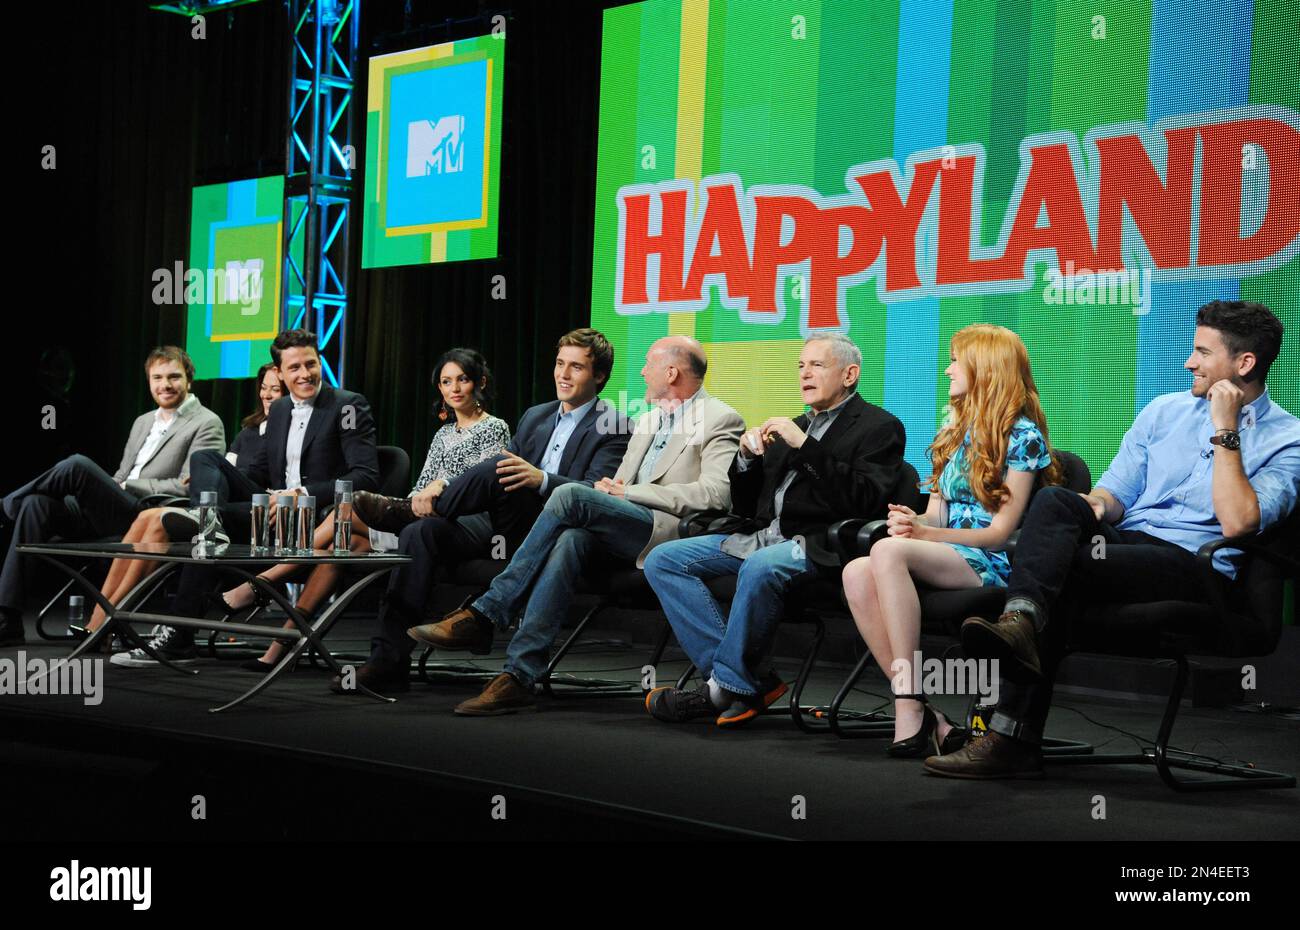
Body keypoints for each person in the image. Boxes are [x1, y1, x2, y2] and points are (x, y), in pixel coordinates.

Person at [927, 300, 1300, 778]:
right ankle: (1019, 620)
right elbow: (1112, 495)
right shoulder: (1164, 411)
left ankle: (1007, 738)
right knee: (1058, 501)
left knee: (1056, 576)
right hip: (1127, 545)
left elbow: (1238, 523)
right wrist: (1090, 509)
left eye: (1203, 353)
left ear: (1243, 364)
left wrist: (1225, 430)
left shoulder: (1287, 440)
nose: (1189, 362)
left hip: (1195, 565)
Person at [410, 335, 744, 715]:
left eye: (648, 364)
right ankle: (520, 675)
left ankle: (489, 612)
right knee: (570, 538)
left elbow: (716, 494)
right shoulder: (650, 419)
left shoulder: (718, 418)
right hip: (625, 522)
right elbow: (614, 484)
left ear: (671, 372)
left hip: (669, 531)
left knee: (569, 496)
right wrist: (616, 491)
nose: (641, 371)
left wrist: (633, 492)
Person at [333, 328, 630, 696]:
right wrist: (442, 485)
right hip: (503, 522)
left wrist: (542, 480)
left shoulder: (614, 425)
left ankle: (408, 511)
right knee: (420, 533)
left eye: (576, 368)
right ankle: (388, 661)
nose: (563, 375)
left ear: (598, 375)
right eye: (559, 364)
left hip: (552, 529)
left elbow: (594, 496)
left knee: (497, 467)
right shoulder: (537, 416)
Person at [642, 334, 907, 727]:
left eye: (817, 365)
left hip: (820, 543)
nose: (805, 373)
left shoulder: (878, 427)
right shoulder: (791, 427)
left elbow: (862, 500)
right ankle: (742, 680)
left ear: (850, 374)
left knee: (762, 565)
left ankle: (720, 689)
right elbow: (750, 507)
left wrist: (806, 447)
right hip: (763, 536)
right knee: (663, 559)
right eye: (801, 365)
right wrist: (746, 460)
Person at [840, 324, 1060, 755]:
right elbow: (936, 514)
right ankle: (921, 708)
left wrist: (924, 534)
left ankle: (907, 706)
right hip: (946, 549)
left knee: (884, 550)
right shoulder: (955, 432)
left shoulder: (1023, 436)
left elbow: (999, 534)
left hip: (989, 561)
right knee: (854, 570)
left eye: (956, 361)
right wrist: (913, 521)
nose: (947, 370)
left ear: (985, 367)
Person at [226, 347, 509, 672]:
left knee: (347, 510)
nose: (455, 388)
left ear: (480, 382)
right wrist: (420, 496)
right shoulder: (443, 433)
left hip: (464, 522)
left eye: (462, 379)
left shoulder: (494, 427)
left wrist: (438, 490)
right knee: (343, 540)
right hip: (421, 515)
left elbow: (478, 483)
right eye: (447, 382)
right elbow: (422, 484)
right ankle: (280, 645)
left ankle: (262, 582)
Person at [109, 328, 380, 667]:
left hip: (315, 517)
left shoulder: (347, 405)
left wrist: (300, 494)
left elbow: (365, 476)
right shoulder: (279, 409)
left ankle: (178, 635)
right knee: (206, 462)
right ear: (279, 372)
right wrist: (252, 490)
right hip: (272, 510)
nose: (305, 373)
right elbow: (258, 476)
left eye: (311, 364)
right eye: (294, 368)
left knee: (209, 522)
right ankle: (206, 516)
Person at [0, 346, 224, 646]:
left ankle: (4, 506)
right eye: (157, 377)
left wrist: (131, 486)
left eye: (174, 377)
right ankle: (8, 616)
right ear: (149, 381)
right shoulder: (143, 421)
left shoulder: (206, 422)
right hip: (113, 508)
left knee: (77, 465)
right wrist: (118, 485)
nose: (165, 385)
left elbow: (187, 488)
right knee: (35, 504)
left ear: (189, 381)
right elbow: (120, 475)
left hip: (146, 514)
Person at [79, 363, 285, 635]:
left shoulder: (281, 431)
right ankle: (101, 619)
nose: (267, 395)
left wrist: (210, 472)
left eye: (276, 389)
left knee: (199, 464)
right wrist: (211, 474)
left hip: (258, 512)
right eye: (263, 388)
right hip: (228, 505)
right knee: (149, 517)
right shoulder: (249, 431)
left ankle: (105, 624)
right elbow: (233, 471)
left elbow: (260, 476)